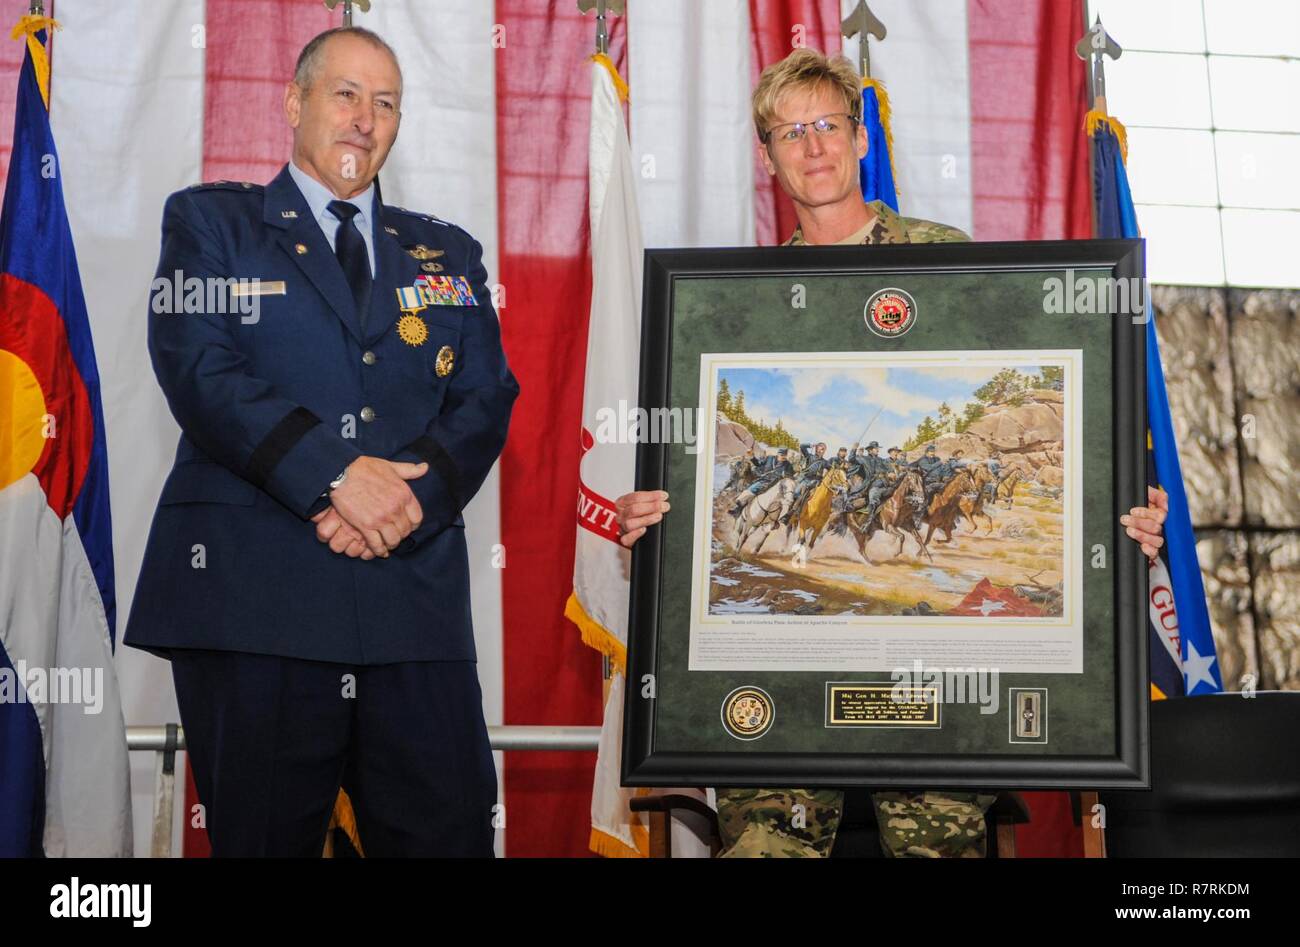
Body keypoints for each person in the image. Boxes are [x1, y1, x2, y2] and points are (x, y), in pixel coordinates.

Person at [613, 48, 1170, 858]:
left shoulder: (952, 260)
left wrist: (1115, 509)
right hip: (778, 729)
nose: (813, 146)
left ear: (860, 137)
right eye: (790, 131)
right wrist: (661, 520)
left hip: (940, 718)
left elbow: (1072, 392)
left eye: (829, 125)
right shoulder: (742, 310)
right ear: (767, 158)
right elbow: (696, 493)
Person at [124, 27, 519, 857]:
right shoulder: (211, 223)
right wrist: (337, 474)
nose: (364, 119)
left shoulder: (446, 251)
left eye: (385, 104)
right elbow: (199, 366)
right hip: (258, 605)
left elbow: (486, 396)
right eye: (345, 94)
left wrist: (410, 494)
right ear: (295, 103)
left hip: (411, 611)